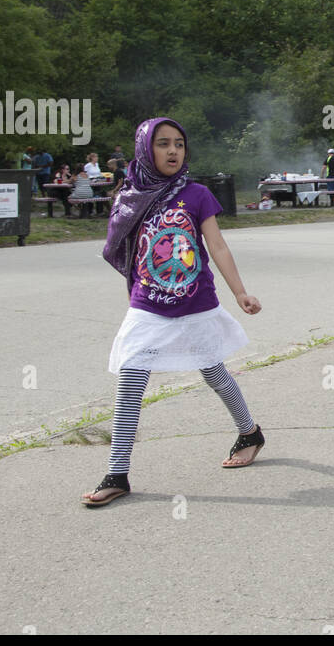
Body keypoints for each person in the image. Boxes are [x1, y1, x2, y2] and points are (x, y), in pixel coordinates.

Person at [82, 117, 264, 507]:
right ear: (145, 149)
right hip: (148, 303)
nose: (172, 151)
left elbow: (216, 247)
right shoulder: (129, 196)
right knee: (131, 375)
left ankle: (249, 433)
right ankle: (117, 471)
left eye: (179, 144)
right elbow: (126, 253)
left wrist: (240, 292)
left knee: (213, 370)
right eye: (163, 144)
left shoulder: (196, 194)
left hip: (196, 299)